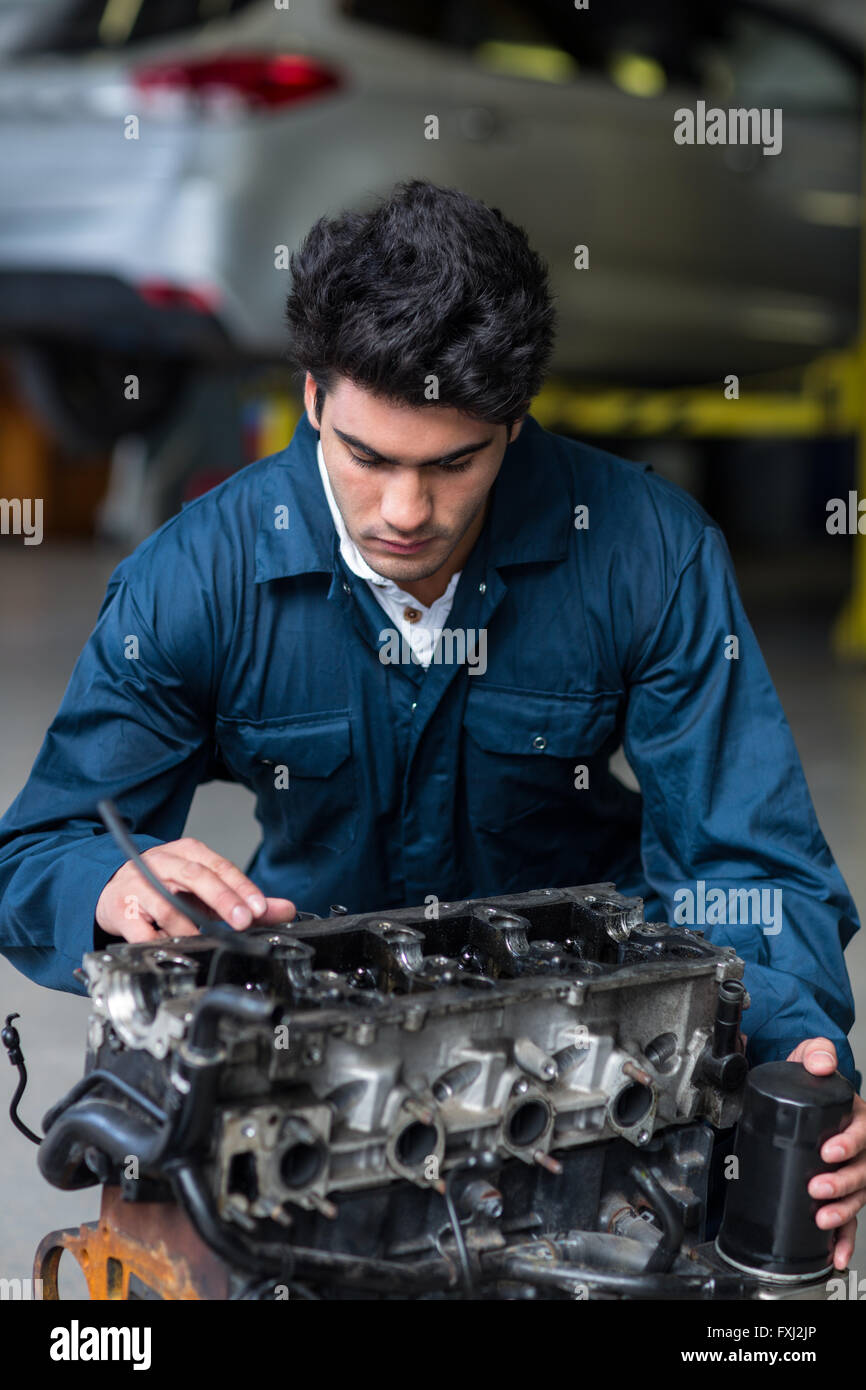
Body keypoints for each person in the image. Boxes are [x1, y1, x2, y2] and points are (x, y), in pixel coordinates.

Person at [0, 181, 862, 1266]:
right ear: (311, 396)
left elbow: (756, 864)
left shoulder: (646, 552)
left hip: (598, 1056)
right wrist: (108, 887)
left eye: (453, 463)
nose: (406, 511)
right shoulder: (196, 581)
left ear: (513, 420)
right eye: (368, 457)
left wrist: (798, 1058)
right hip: (311, 1052)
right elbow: (36, 854)